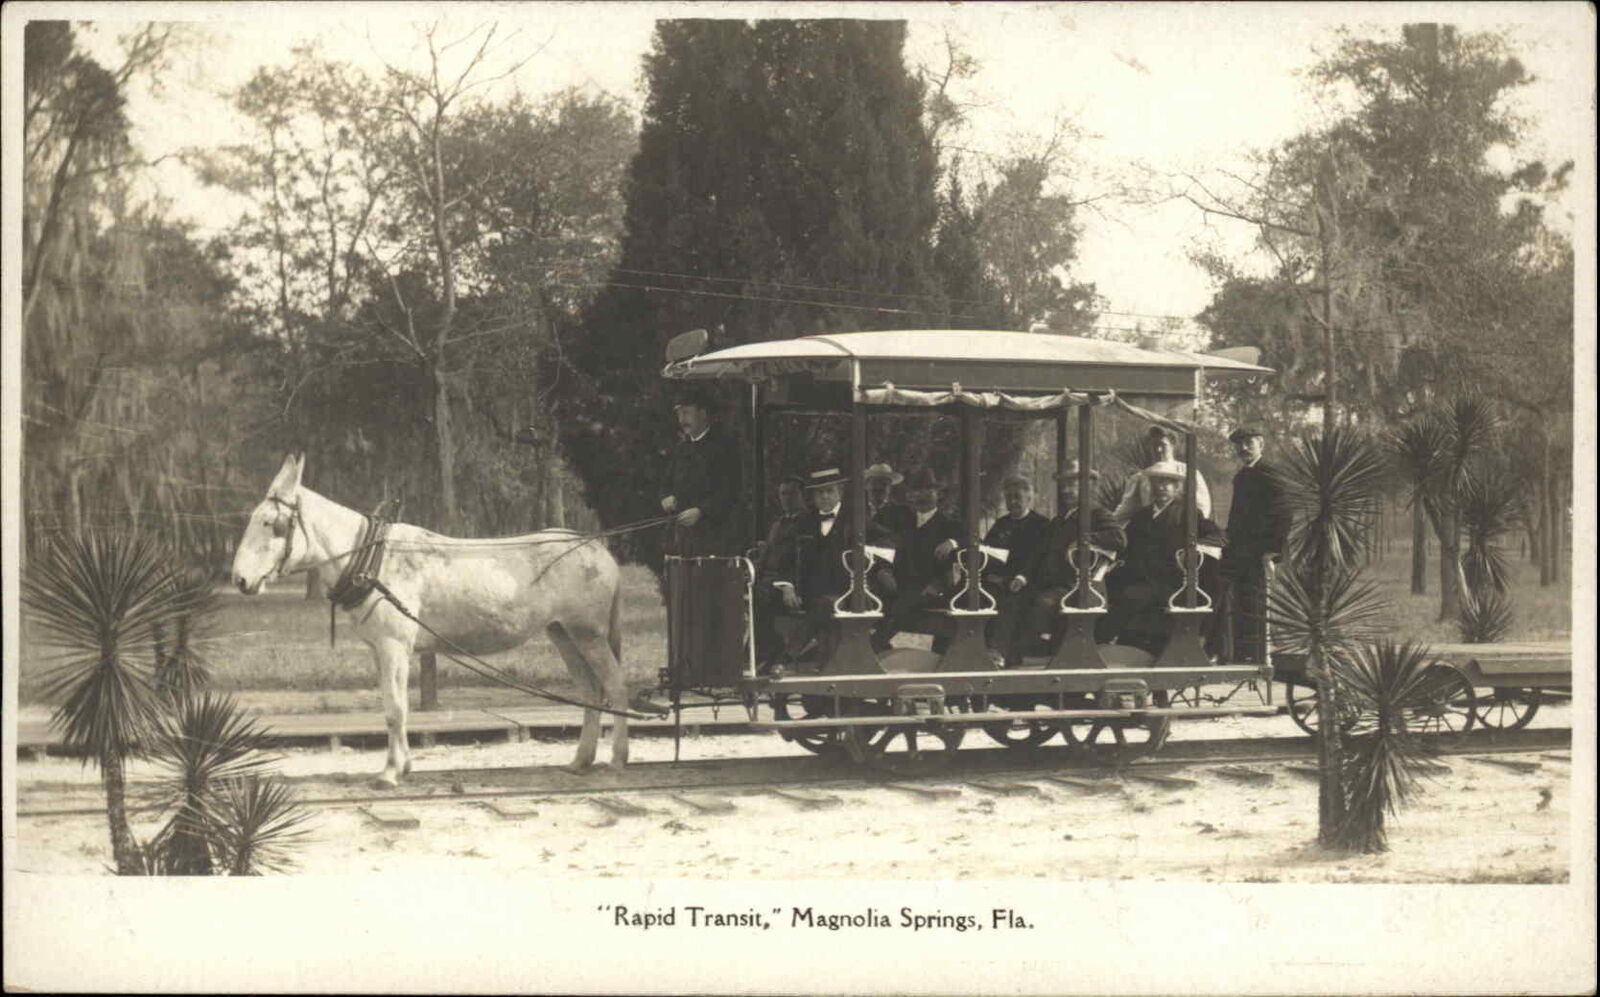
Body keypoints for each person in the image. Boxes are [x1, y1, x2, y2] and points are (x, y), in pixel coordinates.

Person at [769, 467, 897, 663]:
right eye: (820, 492)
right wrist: (787, 587)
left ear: (840, 493)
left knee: (825, 606)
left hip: (849, 594)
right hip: (809, 592)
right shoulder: (805, 522)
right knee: (763, 599)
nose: (825, 497)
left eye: (830, 491)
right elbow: (786, 558)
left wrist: (866, 555)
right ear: (812, 496)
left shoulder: (854, 520)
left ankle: (787, 657)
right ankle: (761, 656)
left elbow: (887, 540)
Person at [1104, 461, 1226, 656]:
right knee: (1103, 589)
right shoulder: (1141, 516)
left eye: (1167, 483)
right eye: (1156, 483)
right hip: (1140, 576)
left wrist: (1193, 549)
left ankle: (1102, 639)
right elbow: (1125, 545)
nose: (1161, 487)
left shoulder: (1188, 514)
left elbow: (1218, 536)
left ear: (1176, 487)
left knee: (1131, 597)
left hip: (1171, 582)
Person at [1018, 461, 1128, 659]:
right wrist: (1023, 576)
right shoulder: (1059, 521)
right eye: (1064, 486)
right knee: (1015, 600)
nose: (1067, 490)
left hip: (1078, 587)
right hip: (1053, 585)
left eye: (1073, 485)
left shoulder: (1097, 514)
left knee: (1042, 604)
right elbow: (1039, 553)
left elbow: (1118, 538)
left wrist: (1084, 540)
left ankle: (1045, 657)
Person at [1221, 427, 1292, 663]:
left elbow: (1284, 513)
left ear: (1261, 444)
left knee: (1259, 603)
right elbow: (1236, 516)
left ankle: (1261, 656)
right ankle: (1240, 654)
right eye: (1239, 444)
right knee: (1239, 601)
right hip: (1240, 551)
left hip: (1263, 553)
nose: (1243, 448)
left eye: (1249, 443)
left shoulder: (1270, 472)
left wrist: (1272, 551)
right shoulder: (1241, 476)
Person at [875, 467, 962, 653]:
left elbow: (972, 538)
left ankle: (874, 647)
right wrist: (884, 571)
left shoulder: (948, 524)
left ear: (937, 494)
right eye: (916, 491)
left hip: (931, 589)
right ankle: (878, 646)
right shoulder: (902, 520)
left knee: (899, 607)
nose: (920, 496)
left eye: (927, 490)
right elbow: (880, 537)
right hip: (901, 584)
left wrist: (953, 542)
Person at [659, 386, 742, 555]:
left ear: (703, 413)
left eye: (687, 413)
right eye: (679, 414)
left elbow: (731, 490)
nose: (682, 420)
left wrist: (702, 511)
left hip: (714, 537)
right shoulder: (681, 448)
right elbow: (666, 484)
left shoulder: (724, 446)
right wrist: (666, 498)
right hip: (682, 539)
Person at [979, 476, 1051, 666]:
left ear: (1029, 499)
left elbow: (1040, 558)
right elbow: (987, 551)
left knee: (1011, 600)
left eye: (1017, 497)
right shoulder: (1001, 524)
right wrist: (989, 574)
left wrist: (1022, 577)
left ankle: (998, 652)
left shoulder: (1041, 525)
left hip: (1028, 582)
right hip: (999, 580)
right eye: (1009, 498)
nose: (1013, 502)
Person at [752, 474, 810, 666]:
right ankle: (755, 654)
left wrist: (790, 586)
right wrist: (752, 576)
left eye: (792, 493)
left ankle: (772, 654)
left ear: (802, 495)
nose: (786, 498)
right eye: (783, 494)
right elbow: (766, 555)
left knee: (759, 596)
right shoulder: (778, 524)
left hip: (789, 584)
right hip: (768, 580)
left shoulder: (809, 523)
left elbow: (807, 561)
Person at [1112, 425, 1212, 523]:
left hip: (1180, 531)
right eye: (1155, 445)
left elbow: (1202, 508)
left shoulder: (1189, 472)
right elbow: (1124, 511)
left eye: (1162, 445)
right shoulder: (1141, 477)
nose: (1158, 450)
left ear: (1173, 445)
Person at [865, 463, 915, 542]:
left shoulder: (902, 511)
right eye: (874, 483)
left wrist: (875, 527)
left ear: (890, 487)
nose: (879, 487)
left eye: (883, 484)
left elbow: (904, 540)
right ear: (866, 485)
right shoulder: (856, 510)